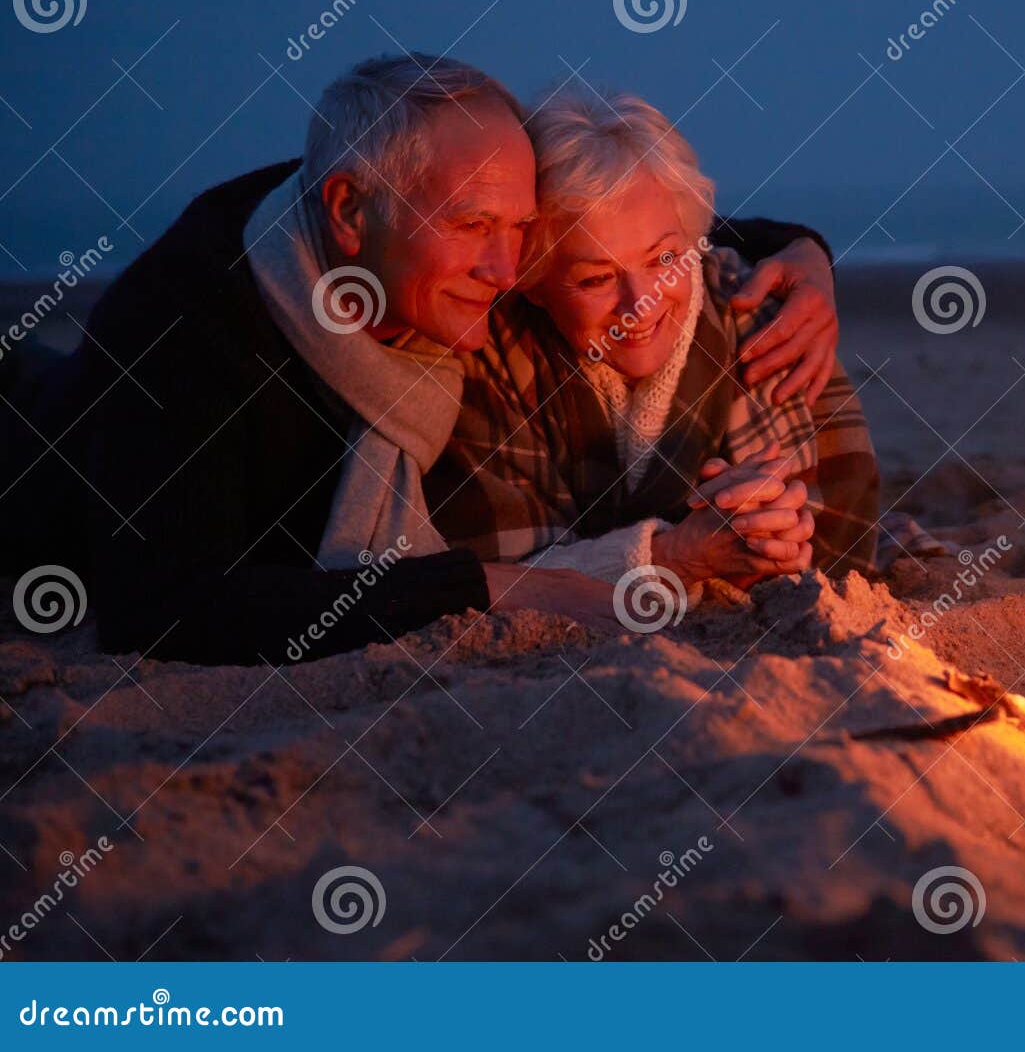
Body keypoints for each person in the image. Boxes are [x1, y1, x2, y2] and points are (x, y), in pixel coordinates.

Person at [0, 55, 839, 664]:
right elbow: (164, 612)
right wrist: (500, 588)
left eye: (518, 231)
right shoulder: (183, 329)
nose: (507, 272)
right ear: (348, 213)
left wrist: (800, 251)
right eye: (476, 228)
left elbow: (623, 228)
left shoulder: (409, 211)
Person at [431, 90, 879, 598]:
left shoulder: (770, 325)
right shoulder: (488, 352)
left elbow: (844, 541)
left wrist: (774, 538)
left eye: (665, 260)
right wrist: (678, 556)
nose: (639, 303)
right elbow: (494, 572)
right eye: (596, 279)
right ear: (532, 279)